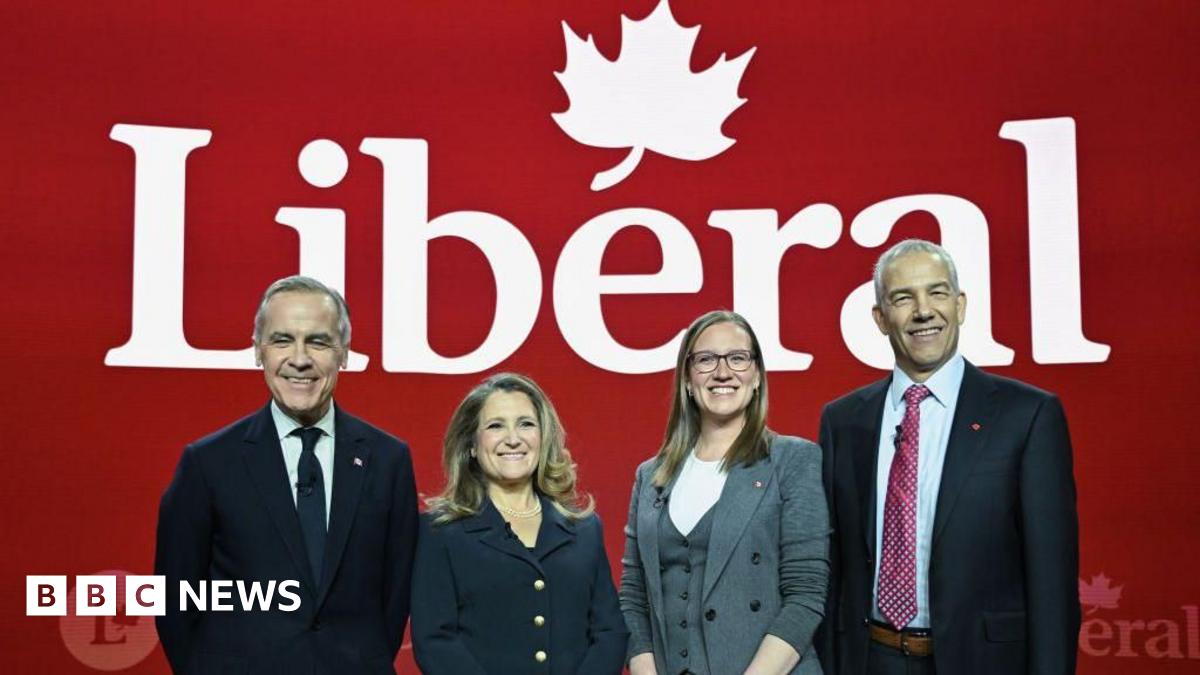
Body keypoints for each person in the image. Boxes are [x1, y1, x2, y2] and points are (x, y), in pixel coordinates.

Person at [815, 239, 1080, 675]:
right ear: (881, 318)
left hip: (984, 662)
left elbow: (1052, 586)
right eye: (903, 298)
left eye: (937, 293)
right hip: (869, 660)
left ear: (960, 306)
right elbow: (832, 568)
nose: (923, 311)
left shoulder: (1027, 416)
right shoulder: (843, 422)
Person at [154, 275, 419, 674]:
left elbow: (394, 595)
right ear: (258, 351)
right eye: (282, 340)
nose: (299, 359)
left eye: (318, 341)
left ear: (343, 353)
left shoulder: (388, 460)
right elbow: (176, 599)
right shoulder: (208, 463)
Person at [621, 310, 830, 675]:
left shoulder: (793, 461)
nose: (722, 372)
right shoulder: (650, 476)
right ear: (687, 378)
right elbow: (634, 598)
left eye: (738, 358)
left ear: (757, 377)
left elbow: (805, 594)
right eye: (706, 360)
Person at [411, 372, 628, 675]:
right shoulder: (441, 532)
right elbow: (435, 640)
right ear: (472, 445)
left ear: (543, 437)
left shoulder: (584, 529)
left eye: (526, 424)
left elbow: (610, 632)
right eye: (495, 425)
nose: (513, 438)